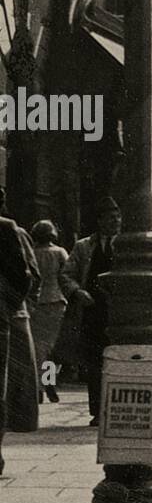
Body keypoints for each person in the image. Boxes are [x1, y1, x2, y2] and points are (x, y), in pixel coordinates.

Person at [60, 196, 121, 424]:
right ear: (100, 221)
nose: (115, 221)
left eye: (117, 217)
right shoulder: (84, 246)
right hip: (92, 311)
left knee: (116, 361)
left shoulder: (125, 244)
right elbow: (66, 274)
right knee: (95, 363)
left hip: (118, 313)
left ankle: (114, 409)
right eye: (110, 218)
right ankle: (97, 411)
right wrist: (77, 292)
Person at [0, 185, 40, 475]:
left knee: (3, 388)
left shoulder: (7, 228)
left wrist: (6, 307)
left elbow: (25, 276)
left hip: (4, 320)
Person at [28, 220, 68, 403]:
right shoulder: (60, 252)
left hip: (36, 303)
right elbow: (67, 275)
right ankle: (49, 380)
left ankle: (38, 386)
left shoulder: (32, 252)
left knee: (38, 347)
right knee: (52, 348)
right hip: (57, 301)